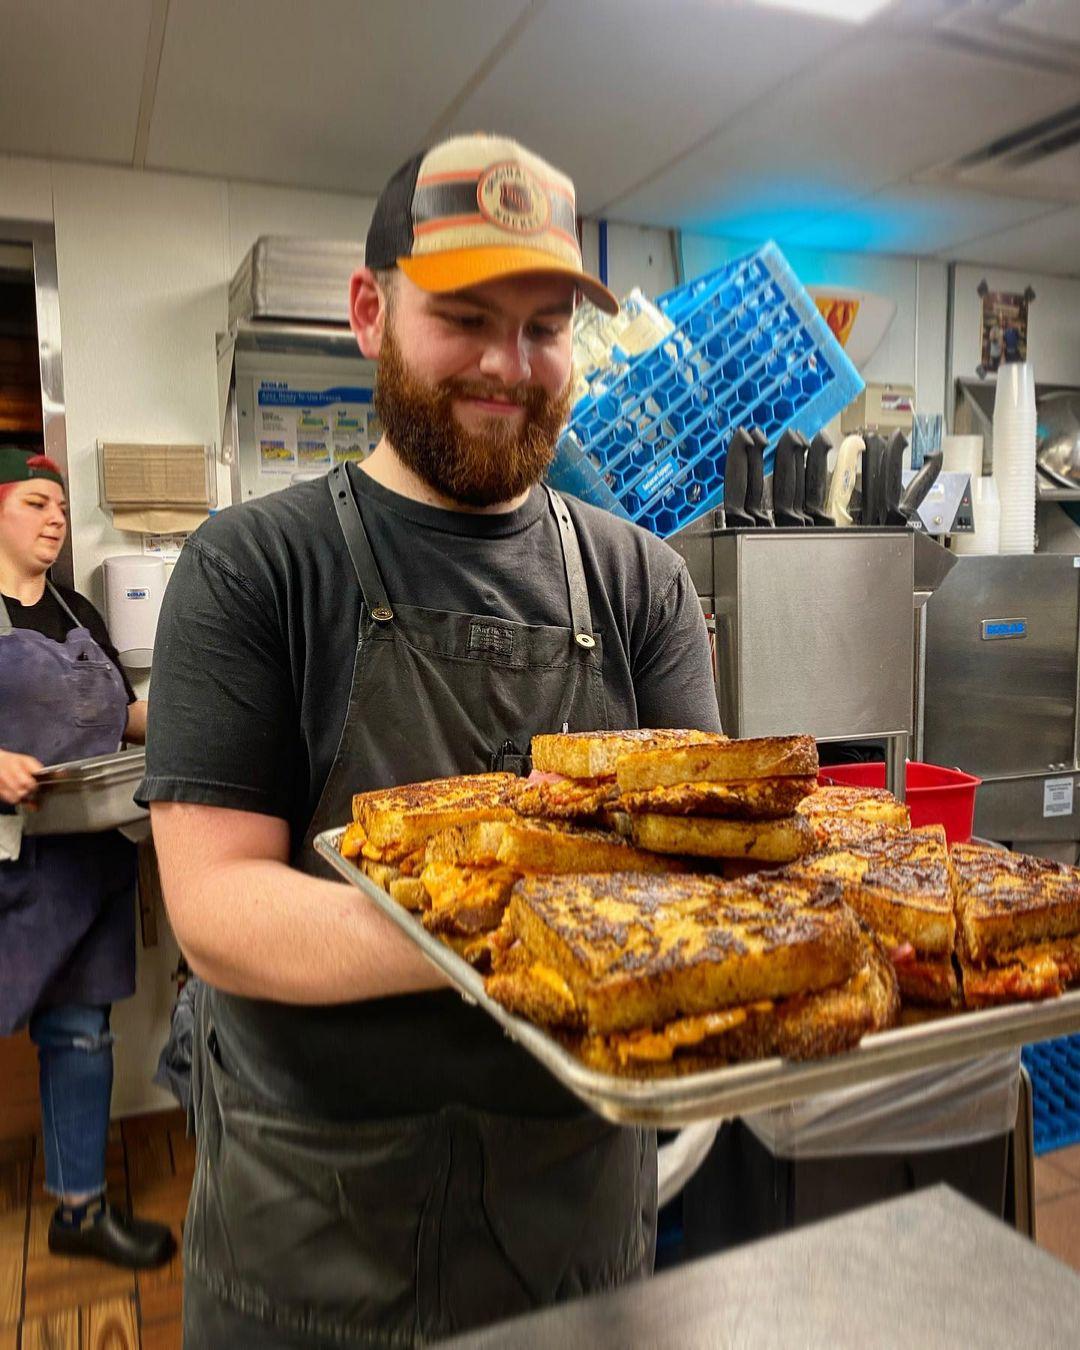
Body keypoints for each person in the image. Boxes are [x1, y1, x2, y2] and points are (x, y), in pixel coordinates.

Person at [142, 133, 722, 1347]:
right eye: (465, 317)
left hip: (577, 1227)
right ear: (371, 313)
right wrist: (535, 940)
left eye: (546, 326)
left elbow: (695, 876)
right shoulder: (253, 569)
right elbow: (220, 910)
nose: (512, 364)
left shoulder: (644, 585)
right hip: (316, 1236)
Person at [0, 446, 174, 1269]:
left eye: (62, 508)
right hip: (13, 864)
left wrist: (193, 713)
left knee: (80, 1034)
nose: (57, 520)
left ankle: (79, 1208)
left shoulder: (77, 611)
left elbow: (124, 714)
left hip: (92, 859)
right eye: (36, 504)